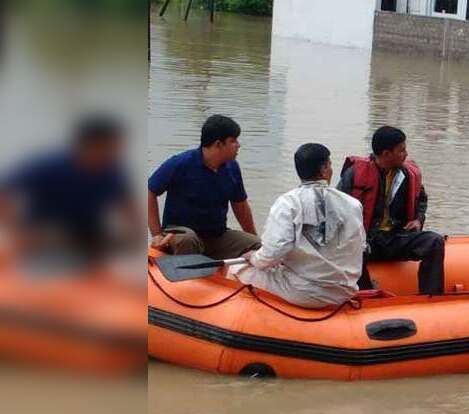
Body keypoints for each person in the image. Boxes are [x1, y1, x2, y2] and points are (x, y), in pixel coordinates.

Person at [231, 144, 365, 309]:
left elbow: (272, 251)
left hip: (305, 292)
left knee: (237, 269)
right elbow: (359, 245)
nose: (331, 170)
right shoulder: (353, 204)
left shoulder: (288, 203)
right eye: (330, 165)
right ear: (324, 169)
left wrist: (253, 258)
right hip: (345, 290)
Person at [1, 114, 138, 259]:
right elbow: (4, 193)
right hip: (43, 231)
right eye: (110, 148)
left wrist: (135, 237)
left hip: (85, 234)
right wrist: (16, 231)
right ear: (90, 145)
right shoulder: (49, 165)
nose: (114, 153)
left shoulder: (112, 170)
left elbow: (128, 206)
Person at [337, 126, 445, 295]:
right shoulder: (355, 175)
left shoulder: (407, 175)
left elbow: (421, 198)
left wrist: (418, 219)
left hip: (394, 238)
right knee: (353, 250)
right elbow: (337, 210)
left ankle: (430, 297)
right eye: (401, 150)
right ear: (386, 154)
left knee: (434, 242)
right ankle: (366, 299)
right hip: (365, 241)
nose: (406, 154)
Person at [148, 115, 259, 259]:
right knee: (188, 240)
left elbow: (240, 205)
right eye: (233, 141)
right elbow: (149, 192)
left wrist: (253, 237)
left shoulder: (232, 168)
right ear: (218, 144)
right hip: (180, 235)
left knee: (256, 245)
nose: (238, 145)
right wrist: (156, 234)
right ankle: (185, 276)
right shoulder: (180, 164)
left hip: (216, 236)